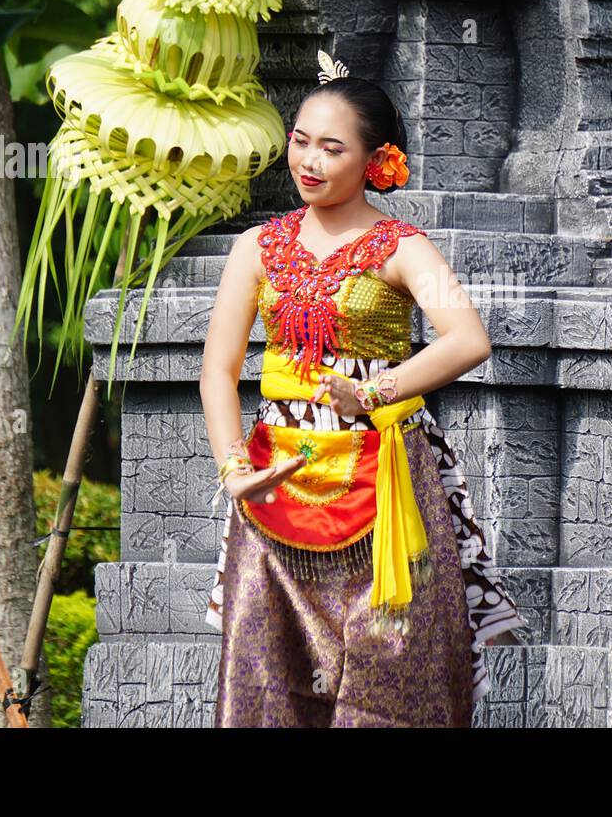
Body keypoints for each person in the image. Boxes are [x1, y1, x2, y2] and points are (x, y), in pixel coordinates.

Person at [199, 51, 525, 726]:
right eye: (300, 141)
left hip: (385, 480)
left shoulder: (403, 247)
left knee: (390, 663)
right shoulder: (257, 247)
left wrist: (373, 393)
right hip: (275, 479)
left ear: (377, 160)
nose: (309, 161)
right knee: (266, 667)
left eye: (332, 148)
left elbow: (468, 338)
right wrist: (233, 470)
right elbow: (219, 370)